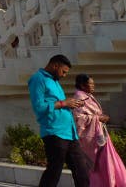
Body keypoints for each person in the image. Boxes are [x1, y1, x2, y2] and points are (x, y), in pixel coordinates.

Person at [28, 54, 89, 187]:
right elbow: (39, 107)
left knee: (82, 171)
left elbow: (61, 104)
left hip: (70, 133)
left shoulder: (55, 81)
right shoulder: (38, 79)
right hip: (54, 132)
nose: (64, 75)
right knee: (53, 172)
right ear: (55, 65)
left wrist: (72, 104)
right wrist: (64, 103)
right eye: (63, 72)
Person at [73, 74, 126, 187]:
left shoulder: (87, 96)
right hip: (93, 138)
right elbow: (78, 119)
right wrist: (98, 118)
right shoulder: (80, 98)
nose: (93, 86)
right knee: (100, 164)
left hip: (99, 134)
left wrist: (100, 118)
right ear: (82, 85)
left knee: (107, 161)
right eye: (91, 84)